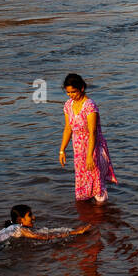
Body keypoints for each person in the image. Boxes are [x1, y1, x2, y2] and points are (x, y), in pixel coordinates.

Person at [59, 74, 116, 203]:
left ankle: (101, 216)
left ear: (82, 88)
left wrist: (90, 155)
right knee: (83, 182)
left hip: (93, 147)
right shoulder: (68, 105)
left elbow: (93, 132)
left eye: (73, 91)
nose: (71, 95)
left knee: (96, 182)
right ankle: (88, 217)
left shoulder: (90, 106)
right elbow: (68, 128)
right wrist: (62, 150)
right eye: (68, 92)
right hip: (78, 150)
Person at [0, 205, 91, 253]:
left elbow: (44, 232)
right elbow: (44, 237)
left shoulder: (13, 227)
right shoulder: (20, 229)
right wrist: (75, 232)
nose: (34, 217)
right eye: (30, 215)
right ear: (21, 220)